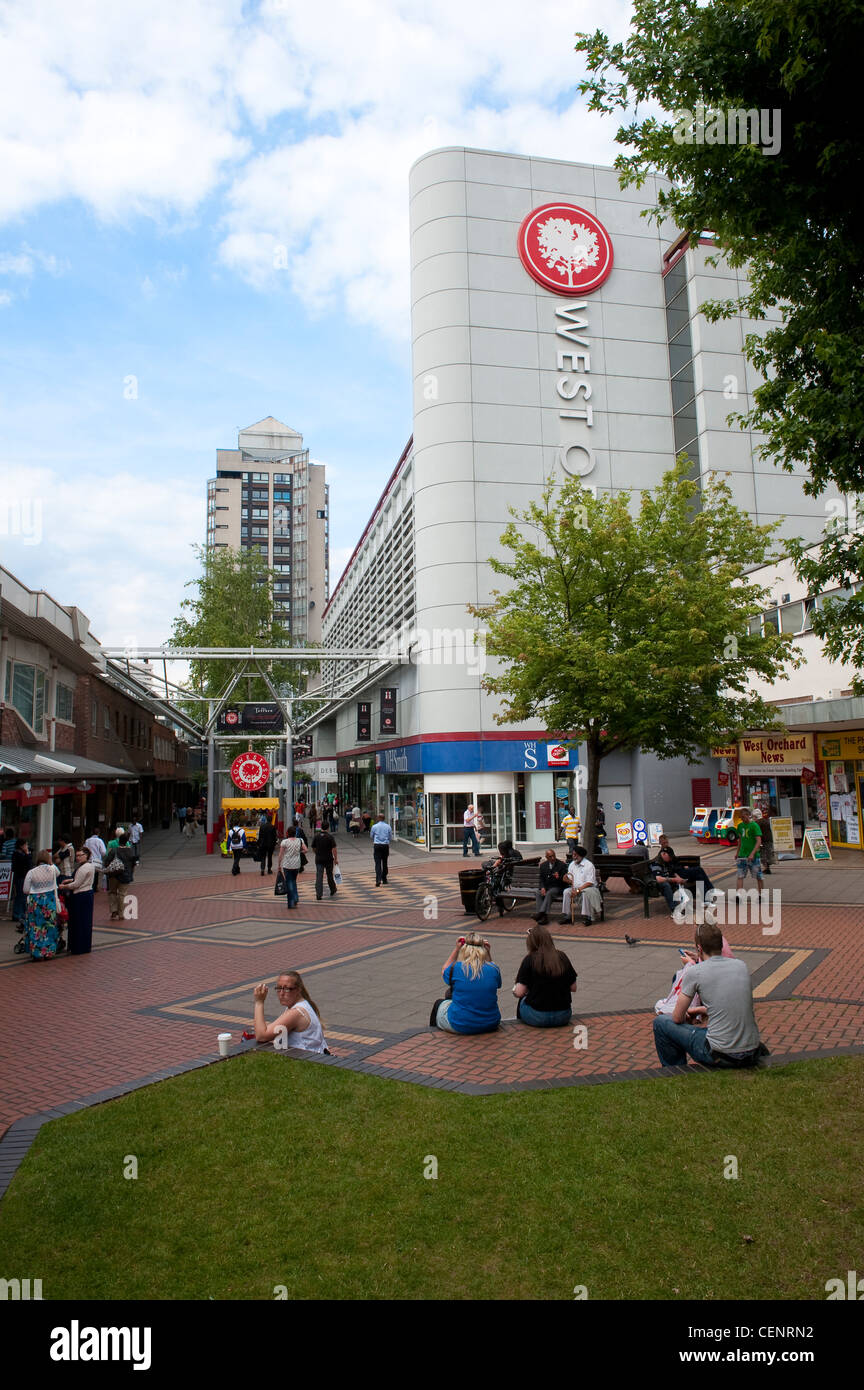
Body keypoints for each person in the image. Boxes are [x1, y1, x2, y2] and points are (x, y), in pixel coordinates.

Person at [652, 921, 764, 1068]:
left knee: (660, 1023)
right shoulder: (741, 966)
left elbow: (677, 1018)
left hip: (721, 1053)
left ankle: (675, 1071)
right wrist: (699, 1010)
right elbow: (728, 1005)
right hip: (751, 1050)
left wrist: (689, 1015)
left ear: (699, 948)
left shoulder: (696, 972)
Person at [432, 932, 501, 1034]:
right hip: (491, 1023)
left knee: (439, 1003)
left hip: (461, 1025)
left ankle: (431, 1035)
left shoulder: (457, 968)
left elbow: (444, 970)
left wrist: (456, 949)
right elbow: (496, 981)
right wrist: (488, 954)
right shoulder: (494, 968)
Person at [513, 923, 578, 1027]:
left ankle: (520, 1027)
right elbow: (573, 987)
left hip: (538, 1016)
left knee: (523, 1000)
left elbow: (519, 992)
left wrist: (515, 989)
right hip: (563, 1015)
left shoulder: (529, 959)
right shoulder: (562, 956)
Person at [252, 972, 328, 1053]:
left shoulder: (296, 1013)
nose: (281, 993)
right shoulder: (302, 1004)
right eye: (279, 988)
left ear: (298, 990)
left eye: (287, 989)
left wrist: (259, 1002)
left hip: (308, 1060)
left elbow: (261, 1036)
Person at [650, 846, 716, 916]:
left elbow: (672, 871)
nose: (670, 859)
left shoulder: (666, 860)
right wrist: (675, 879)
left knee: (698, 874)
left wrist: (678, 878)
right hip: (659, 883)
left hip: (671, 878)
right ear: (664, 854)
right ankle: (675, 910)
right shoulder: (656, 863)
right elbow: (659, 879)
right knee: (667, 885)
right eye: (669, 856)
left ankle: (706, 898)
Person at [21, 850, 62, 960]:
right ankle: (49, 951)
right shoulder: (53, 870)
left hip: (36, 902)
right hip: (49, 901)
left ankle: (37, 953)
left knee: (36, 927)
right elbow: (58, 873)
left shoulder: (31, 872)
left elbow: (25, 889)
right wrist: (51, 862)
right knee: (49, 926)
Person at [62, 847, 97, 954]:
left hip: (80, 896)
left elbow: (76, 884)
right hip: (87, 895)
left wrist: (64, 886)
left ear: (86, 855)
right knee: (85, 922)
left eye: (80, 855)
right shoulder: (89, 866)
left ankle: (77, 947)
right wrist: (71, 880)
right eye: (77, 855)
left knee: (78, 922)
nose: (78, 857)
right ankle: (84, 946)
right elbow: (80, 880)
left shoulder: (83, 868)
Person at [560, 846, 600, 925]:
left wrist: (578, 890)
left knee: (586, 893)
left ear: (581, 855)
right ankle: (567, 916)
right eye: (573, 855)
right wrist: (567, 880)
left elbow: (590, 882)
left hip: (589, 888)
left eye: (575, 855)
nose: (574, 857)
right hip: (575, 887)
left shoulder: (589, 865)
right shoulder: (572, 864)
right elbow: (571, 880)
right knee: (566, 892)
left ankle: (587, 917)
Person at [727, 807, 763, 890]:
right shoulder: (740, 826)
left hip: (753, 856)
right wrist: (737, 853)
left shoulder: (754, 826)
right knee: (740, 876)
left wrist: (752, 853)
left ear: (748, 815)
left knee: (758, 876)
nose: (742, 819)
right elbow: (740, 841)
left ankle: (761, 894)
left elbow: (758, 841)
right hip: (742, 855)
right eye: (741, 817)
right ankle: (738, 894)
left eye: (743, 817)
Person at [104, 832, 135, 920]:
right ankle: (121, 914)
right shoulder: (130, 851)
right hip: (126, 876)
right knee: (122, 895)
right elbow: (133, 865)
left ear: (119, 841)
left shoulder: (114, 850)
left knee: (112, 892)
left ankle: (114, 910)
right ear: (126, 841)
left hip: (114, 875)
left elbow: (106, 862)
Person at [533, 848, 568, 925]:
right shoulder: (543, 865)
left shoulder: (561, 865)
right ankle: (543, 917)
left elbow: (565, 881)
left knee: (549, 893)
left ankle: (541, 913)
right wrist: (542, 887)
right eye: (550, 857)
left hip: (557, 887)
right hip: (547, 887)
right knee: (538, 893)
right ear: (546, 857)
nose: (553, 858)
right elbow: (541, 878)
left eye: (553, 856)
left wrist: (559, 877)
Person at [276, 827, 303, 909]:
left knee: (289, 883)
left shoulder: (284, 842)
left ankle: (292, 902)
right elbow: (306, 850)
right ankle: (295, 898)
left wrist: (279, 865)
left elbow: (280, 854)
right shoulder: (300, 840)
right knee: (293, 881)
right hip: (296, 865)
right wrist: (298, 852)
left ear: (287, 833)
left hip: (287, 865)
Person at [311, 824, 339, 900]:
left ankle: (319, 894)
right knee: (329, 875)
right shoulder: (330, 837)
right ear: (328, 828)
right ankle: (333, 889)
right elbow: (334, 849)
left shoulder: (316, 836)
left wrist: (317, 853)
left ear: (321, 827)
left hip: (319, 859)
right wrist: (336, 859)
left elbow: (313, 847)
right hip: (329, 859)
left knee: (319, 876)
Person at [11, 838, 32, 923]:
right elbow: (27, 865)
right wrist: (27, 854)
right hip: (21, 877)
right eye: (25, 845)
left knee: (22, 896)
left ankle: (21, 913)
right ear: (21, 846)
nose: (27, 846)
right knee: (21, 896)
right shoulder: (18, 855)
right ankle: (18, 914)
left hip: (22, 877)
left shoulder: (18, 854)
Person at [370, 813, 392, 885]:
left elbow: (371, 836)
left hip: (377, 845)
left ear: (378, 818)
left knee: (377, 863)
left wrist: (376, 840)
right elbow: (390, 837)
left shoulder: (374, 826)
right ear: (384, 818)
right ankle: (384, 879)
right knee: (385, 862)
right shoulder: (388, 826)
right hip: (385, 846)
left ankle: (378, 880)